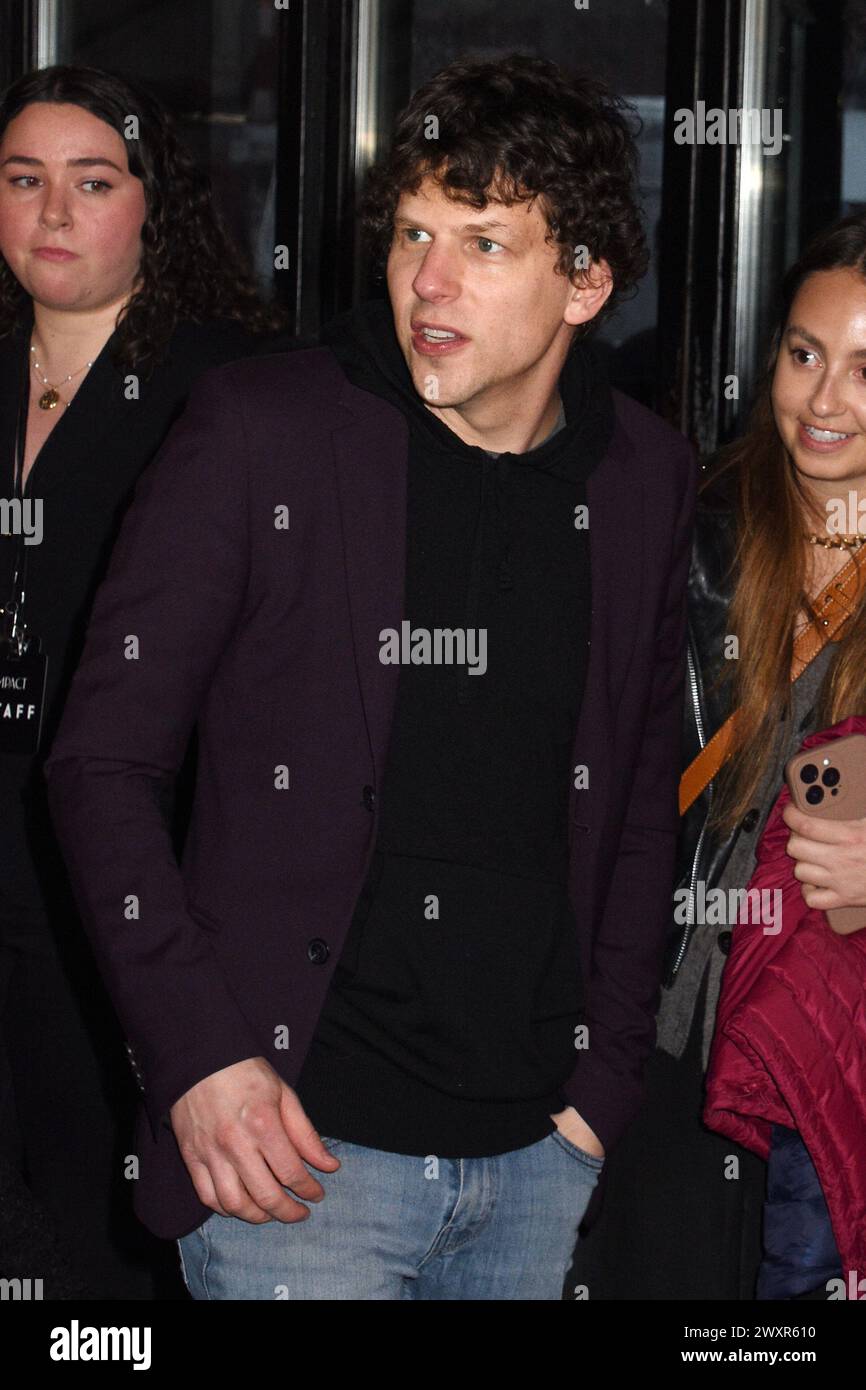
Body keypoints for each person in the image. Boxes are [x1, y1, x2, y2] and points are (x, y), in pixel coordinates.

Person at [43, 52, 696, 1301]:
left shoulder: (642, 480)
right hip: (297, 1165)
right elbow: (99, 762)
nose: (427, 283)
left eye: (484, 244)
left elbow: (633, 809)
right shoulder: (264, 429)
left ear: (586, 280)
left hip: (535, 1161)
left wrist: (600, 1092)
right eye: (410, 233)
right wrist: (197, 1059)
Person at [0, 63, 289, 1299]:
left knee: (103, 1203)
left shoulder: (227, 389)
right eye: (23, 181)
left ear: (152, 206)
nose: (52, 213)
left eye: (91, 182)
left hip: (129, 854)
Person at [571, 214, 866, 1301]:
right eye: (802, 354)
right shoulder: (690, 532)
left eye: (862, 369)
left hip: (829, 1066)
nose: (823, 399)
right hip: (668, 1038)